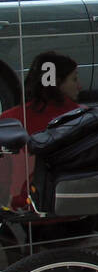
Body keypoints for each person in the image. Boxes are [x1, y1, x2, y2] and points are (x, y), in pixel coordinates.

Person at [0, 51, 82, 208]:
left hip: (26, 215)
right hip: (78, 213)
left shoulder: (8, 121)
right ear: (57, 82)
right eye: (74, 79)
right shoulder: (85, 118)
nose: (79, 86)